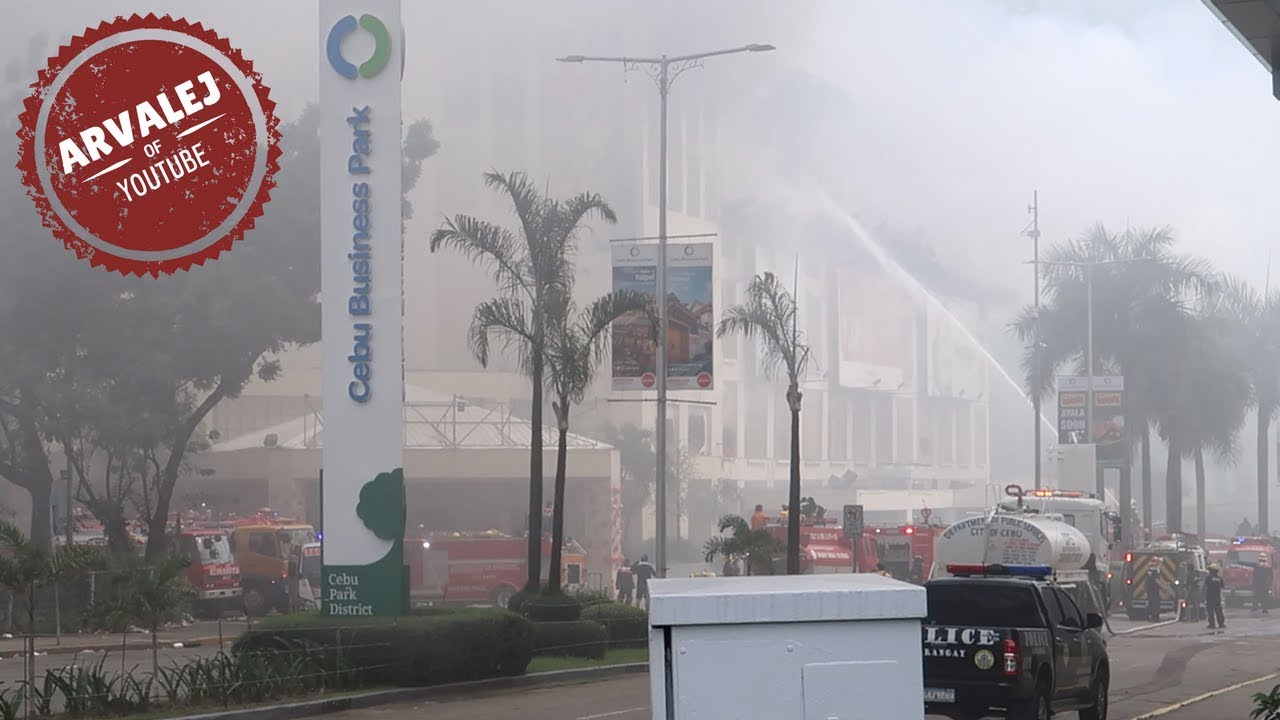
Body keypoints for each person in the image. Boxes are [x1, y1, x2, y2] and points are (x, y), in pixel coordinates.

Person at [1205, 563, 1226, 632]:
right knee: (1219, 611)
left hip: (1210, 597)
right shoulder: (1220, 579)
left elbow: (1205, 586)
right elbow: (1222, 587)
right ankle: (1221, 624)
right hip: (1217, 597)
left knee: (1210, 611)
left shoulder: (1209, 578)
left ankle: (1212, 624)